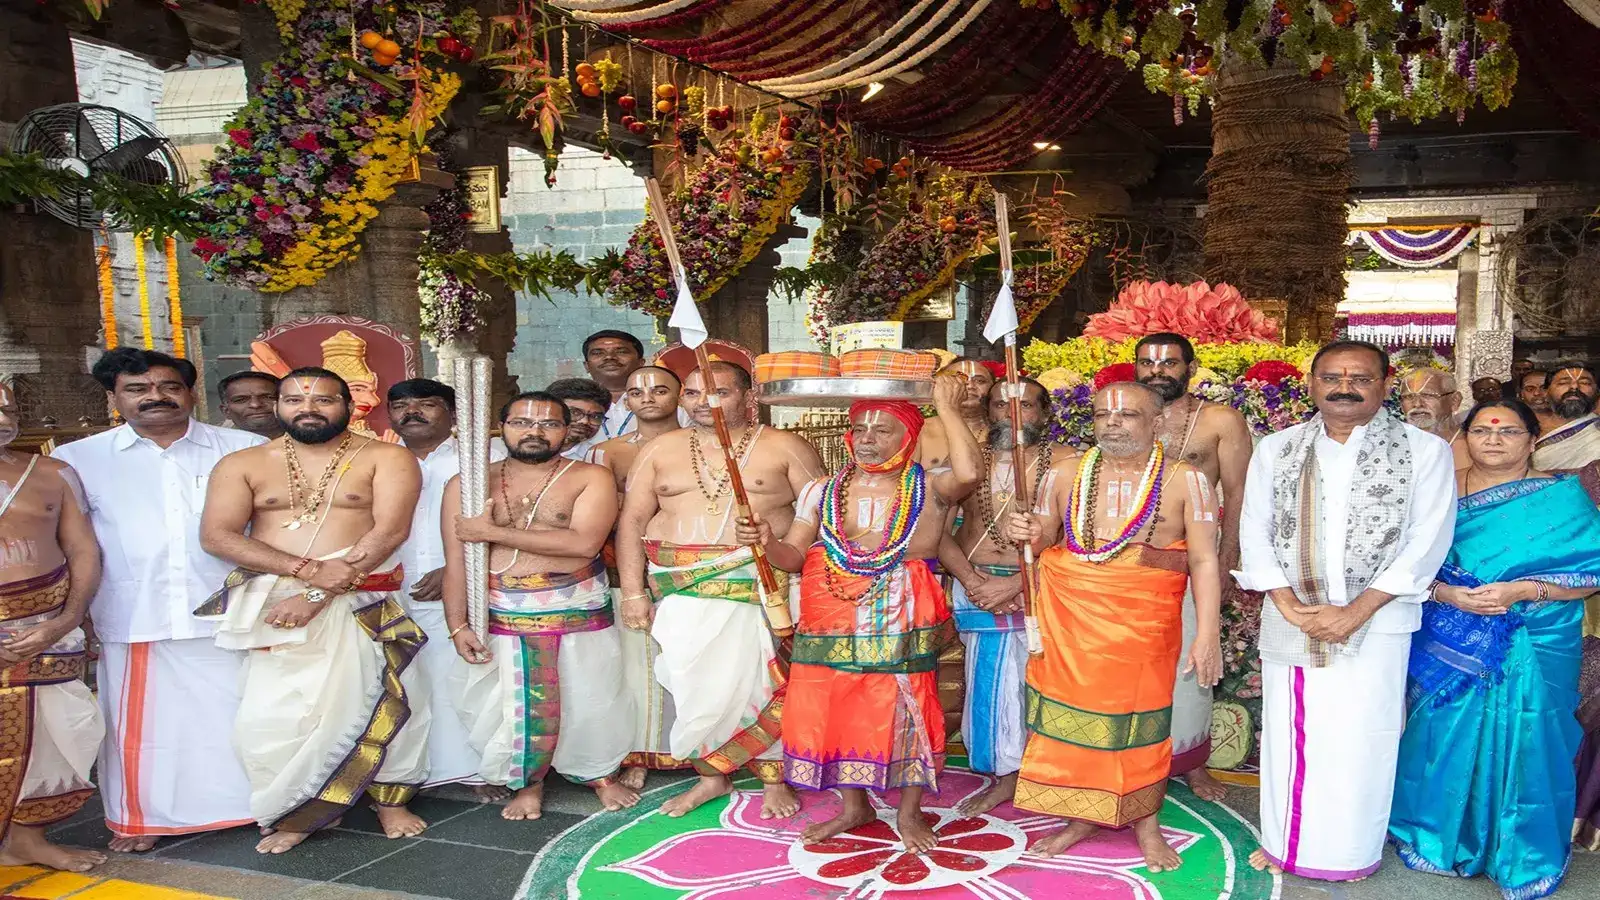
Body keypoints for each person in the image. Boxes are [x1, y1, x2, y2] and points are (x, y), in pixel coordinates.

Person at [1236, 340, 1456, 881]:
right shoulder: (1277, 448)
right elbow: (1253, 529)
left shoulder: (1424, 450)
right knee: (1291, 733)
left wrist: (1357, 611)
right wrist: (1287, 602)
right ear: (1312, 385)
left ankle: (1350, 852)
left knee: (1364, 735)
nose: (1344, 386)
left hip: (1379, 620)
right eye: (1331, 375)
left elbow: (1428, 540)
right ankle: (1287, 842)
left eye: (1360, 377)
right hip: (1293, 618)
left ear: (1384, 386)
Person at [738, 374, 980, 850]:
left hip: (901, 609)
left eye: (882, 430)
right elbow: (792, 555)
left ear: (908, 437)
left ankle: (910, 814)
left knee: (907, 707)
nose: (867, 440)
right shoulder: (821, 491)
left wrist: (946, 408)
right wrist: (766, 542)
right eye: (859, 430)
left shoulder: (930, 487)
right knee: (838, 705)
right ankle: (855, 807)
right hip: (829, 610)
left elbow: (970, 473)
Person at [197, 367, 429, 854]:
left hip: (360, 597)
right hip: (278, 602)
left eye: (324, 400)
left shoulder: (387, 458)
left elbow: (389, 532)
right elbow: (217, 536)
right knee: (274, 716)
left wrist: (319, 594)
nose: (308, 408)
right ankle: (299, 809)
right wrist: (306, 573)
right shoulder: (244, 463)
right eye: (294, 400)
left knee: (379, 700)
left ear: (350, 405)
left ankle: (391, 802)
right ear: (277, 406)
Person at [999, 382, 1222, 870]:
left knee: (1140, 725)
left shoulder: (1188, 480)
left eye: (1127, 415)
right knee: (1074, 721)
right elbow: (1040, 534)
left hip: (1143, 627)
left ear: (1158, 422)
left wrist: (1208, 635)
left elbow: (1204, 562)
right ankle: (1081, 815)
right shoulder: (1065, 473)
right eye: (1103, 415)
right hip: (1071, 622)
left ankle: (1146, 823)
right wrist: (1027, 533)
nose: (1113, 423)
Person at [1389, 399, 1600, 900]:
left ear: (1533, 440)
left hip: (1541, 633)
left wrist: (1524, 591)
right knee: (1440, 734)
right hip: (1448, 631)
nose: (1493, 439)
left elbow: (1592, 571)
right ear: (1465, 436)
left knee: (1533, 734)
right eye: (1482, 429)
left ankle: (1521, 852)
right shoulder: (1436, 492)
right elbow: (1403, 564)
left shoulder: (1564, 497)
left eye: (1507, 432)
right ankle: (1438, 836)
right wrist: (1448, 594)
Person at [51, 348, 259, 852]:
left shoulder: (244, 448)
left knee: (241, 716)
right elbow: (69, 545)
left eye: (168, 387)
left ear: (190, 393)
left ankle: (256, 807)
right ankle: (145, 820)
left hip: (232, 610)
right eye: (138, 390)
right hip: (135, 612)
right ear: (113, 398)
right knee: (143, 730)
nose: (155, 398)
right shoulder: (76, 461)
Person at [616, 360, 825, 820]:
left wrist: (785, 554)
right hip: (682, 589)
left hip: (760, 583)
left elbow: (820, 516)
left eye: (718, 393)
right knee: (691, 685)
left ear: (747, 397)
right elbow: (631, 520)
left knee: (767, 680)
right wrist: (633, 592)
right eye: (691, 394)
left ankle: (774, 777)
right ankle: (711, 777)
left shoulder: (786, 446)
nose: (702, 403)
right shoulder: (660, 449)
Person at [445, 392, 638, 820]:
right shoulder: (468, 483)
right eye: (521, 423)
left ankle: (599, 774)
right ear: (502, 427)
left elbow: (582, 545)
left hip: (576, 604)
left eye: (549, 424)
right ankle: (527, 783)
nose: (534, 431)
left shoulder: (589, 477)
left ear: (567, 431)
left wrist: (491, 532)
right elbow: (456, 560)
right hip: (500, 610)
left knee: (591, 696)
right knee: (510, 704)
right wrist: (457, 625)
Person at [938, 378, 1071, 815]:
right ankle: (1005, 775)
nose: (1011, 416)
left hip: (1042, 586)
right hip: (977, 585)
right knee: (990, 687)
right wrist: (974, 583)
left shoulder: (1069, 463)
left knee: (1042, 685)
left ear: (1045, 413)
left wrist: (1018, 584)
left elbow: (1080, 540)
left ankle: (1046, 771)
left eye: (1025, 407)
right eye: (1000, 406)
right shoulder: (967, 463)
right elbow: (934, 535)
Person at [1134, 333, 1254, 802]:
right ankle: (1136, 753)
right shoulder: (1128, 414)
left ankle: (1191, 761)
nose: (1156, 370)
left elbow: (1240, 494)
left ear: (1190, 366)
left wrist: (1226, 566)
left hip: (1194, 563)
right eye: (1146, 362)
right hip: (1132, 563)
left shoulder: (1220, 420)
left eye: (1168, 362)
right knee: (1135, 666)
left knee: (1192, 663)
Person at [0, 382, 105, 872]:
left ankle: (26, 840)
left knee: (55, 734)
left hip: (45, 625)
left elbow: (83, 550)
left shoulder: (52, 473)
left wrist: (64, 619)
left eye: (10, 407)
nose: (3, 417)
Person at [388, 379, 505, 797]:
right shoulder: (376, 460)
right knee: (403, 681)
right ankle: (407, 771)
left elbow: (506, 522)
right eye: (401, 405)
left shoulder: (486, 458)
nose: (412, 412)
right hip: (389, 586)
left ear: (454, 414)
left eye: (427, 404)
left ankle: (476, 770)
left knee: (463, 676)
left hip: (464, 584)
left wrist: (454, 569)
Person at [587, 366, 689, 790]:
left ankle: (701, 746)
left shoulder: (703, 445)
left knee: (688, 657)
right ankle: (641, 751)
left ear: (681, 395)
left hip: (686, 564)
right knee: (637, 664)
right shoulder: (607, 452)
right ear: (625, 400)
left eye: (660, 389)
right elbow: (604, 515)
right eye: (636, 392)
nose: (648, 398)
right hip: (625, 564)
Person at [582, 330, 689, 437]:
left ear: (641, 362)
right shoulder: (572, 405)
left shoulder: (675, 405)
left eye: (621, 351)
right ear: (586, 366)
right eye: (598, 353)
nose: (609, 357)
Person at [917, 359, 997, 468]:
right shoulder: (919, 430)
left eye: (980, 381)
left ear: (993, 388)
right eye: (959, 379)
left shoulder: (1003, 431)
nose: (970, 386)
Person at [1531, 364, 1599, 473]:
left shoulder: (1596, 432)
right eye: (1563, 383)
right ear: (1546, 392)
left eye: (1585, 383)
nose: (1574, 387)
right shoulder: (1527, 427)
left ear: (1596, 391)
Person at [1399, 368, 1469, 470]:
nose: (1417, 404)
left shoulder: (1473, 445)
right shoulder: (1393, 443)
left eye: (1428, 395)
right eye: (1409, 396)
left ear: (1454, 401)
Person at [547, 378, 613, 461]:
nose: (584, 421)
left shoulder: (599, 457)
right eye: (575, 412)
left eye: (595, 417)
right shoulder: (528, 448)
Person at [218, 371, 283, 440]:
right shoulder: (218, 445)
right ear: (226, 411)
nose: (255, 405)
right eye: (241, 400)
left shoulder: (295, 438)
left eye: (268, 397)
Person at [1518, 369, 1562, 437]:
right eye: (1530, 389)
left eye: (1544, 388)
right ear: (1521, 394)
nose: (1537, 393)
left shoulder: (1571, 422)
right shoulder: (1514, 422)